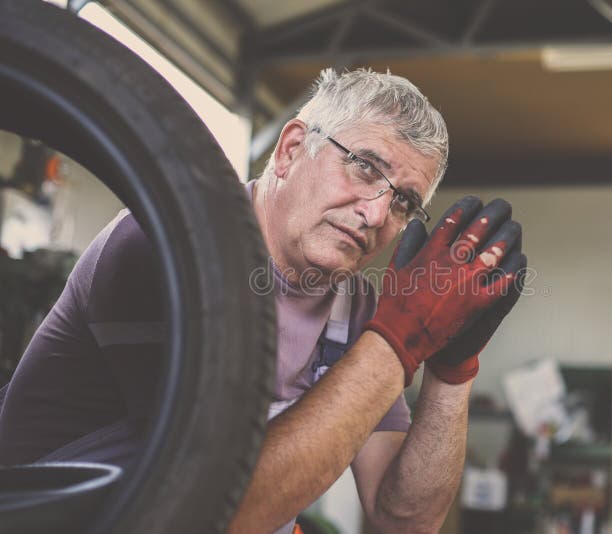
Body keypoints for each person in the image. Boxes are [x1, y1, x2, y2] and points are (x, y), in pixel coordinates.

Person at [0, 68, 526, 533]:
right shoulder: (166, 249)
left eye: (405, 203)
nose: (375, 214)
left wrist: (452, 369)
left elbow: (404, 520)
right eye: (365, 167)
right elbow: (205, 509)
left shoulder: (357, 309)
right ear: (292, 148)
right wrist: (399, 339)